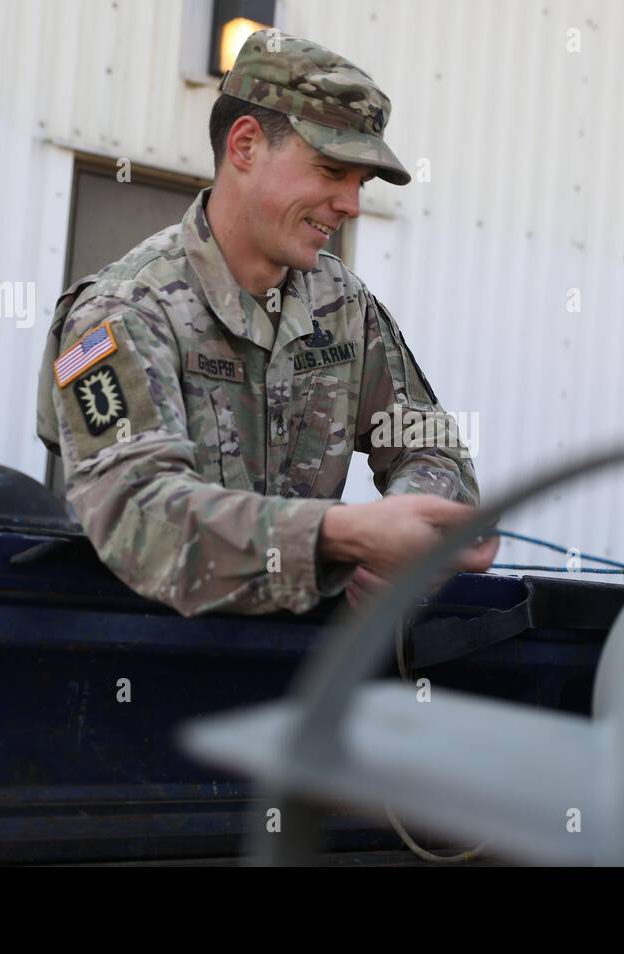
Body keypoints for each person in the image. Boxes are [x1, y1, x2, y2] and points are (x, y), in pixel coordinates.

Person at [35, 30, 496, 616]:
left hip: (305, 675)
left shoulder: (343, 305)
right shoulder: (125, 310)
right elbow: (139, 515)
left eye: (361, 183)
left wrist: (406, 540)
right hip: (148, 666)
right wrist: (339, 536)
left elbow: (432, 449)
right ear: (246, 145)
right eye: (332, 171)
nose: (352, 204)